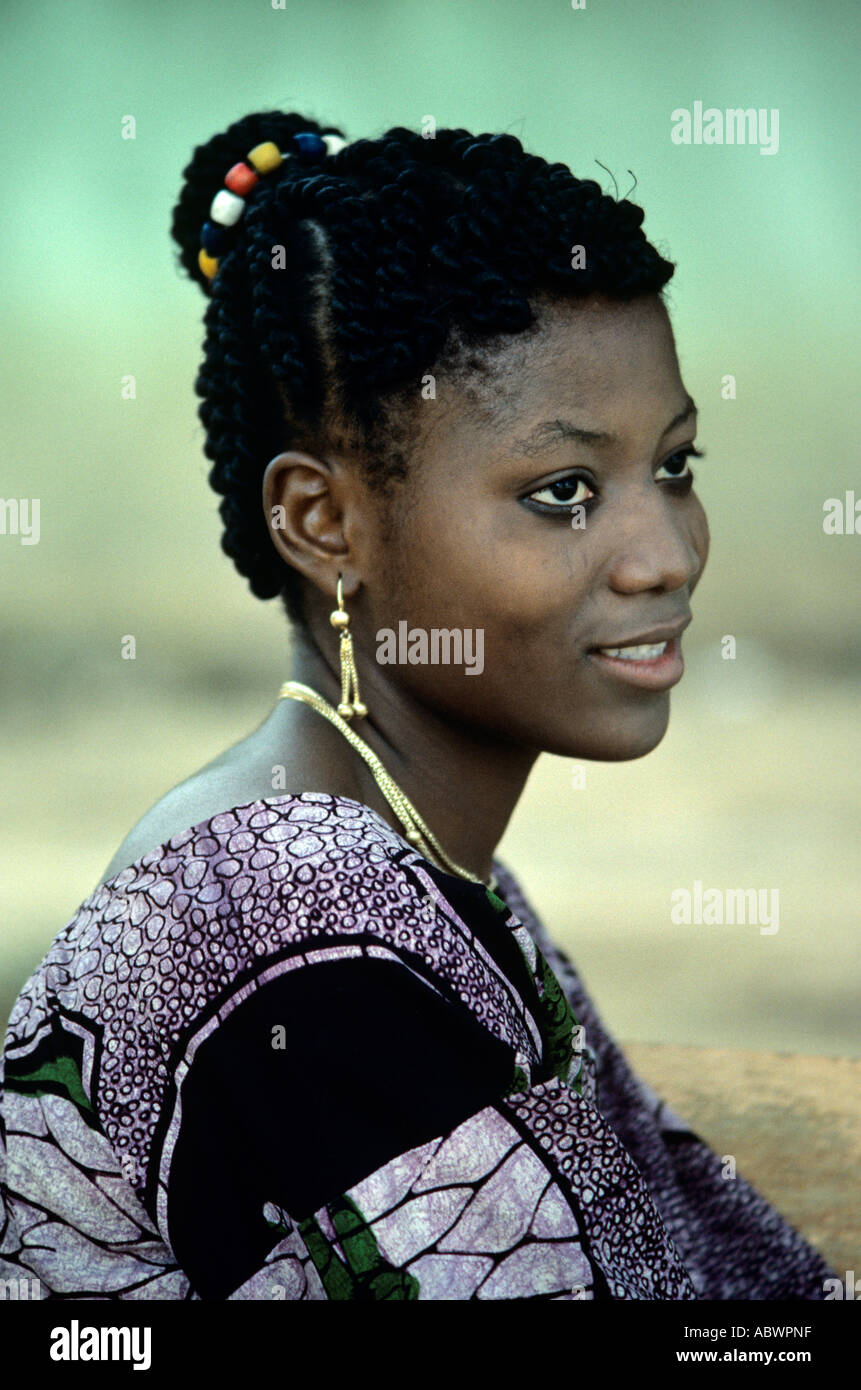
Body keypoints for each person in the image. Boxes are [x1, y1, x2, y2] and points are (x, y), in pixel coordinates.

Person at [0, 113, 835, 1301]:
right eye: (564, 490)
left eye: (677, 467)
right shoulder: (298, 939)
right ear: (324, 523)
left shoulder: (408, 861)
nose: (667, 554)